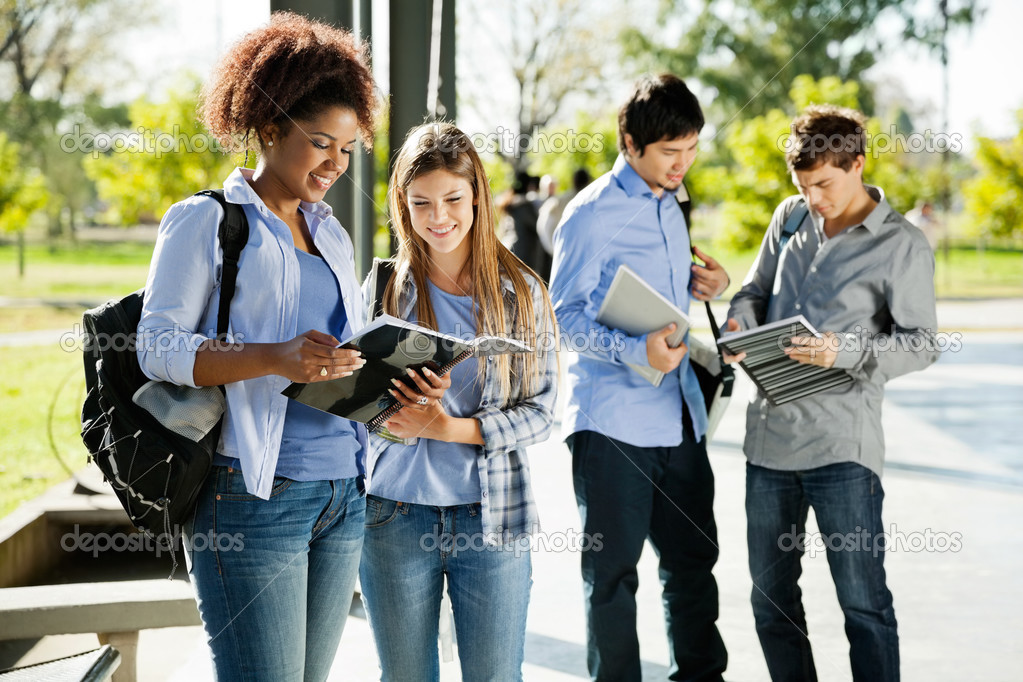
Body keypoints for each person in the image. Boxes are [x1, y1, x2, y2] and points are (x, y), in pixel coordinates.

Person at [136, 13, 377, 680]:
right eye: (321, 142)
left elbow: (334, 359)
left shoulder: (330, 234)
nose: (336, 163)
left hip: (341, 493)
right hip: (251, 495)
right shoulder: (207, 221)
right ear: (270, 129)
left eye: (348, 149)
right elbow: (155, 346)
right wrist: (274, 355)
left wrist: (389, 377)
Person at [723, 104, 940, 681]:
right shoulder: (789, 218)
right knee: (771, 604)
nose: (813, 198)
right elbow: (753, 290)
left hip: (843, 448)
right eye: (803, 185)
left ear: (858, 164)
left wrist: (843, 350)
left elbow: (922, 344)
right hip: (768, 444)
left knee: (863, 606)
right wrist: (741, 321)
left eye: (824, 184)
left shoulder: (902, 244)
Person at [359, 122, 558, 681]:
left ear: (478, 197)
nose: (437, 217)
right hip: (391, 514)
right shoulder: (384, 288)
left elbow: (543, 412)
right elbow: (354, 410)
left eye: (452, 198)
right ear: (402, 205)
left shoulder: (521, 294)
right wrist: (395, 404)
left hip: (490, 517)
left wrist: (448, 427)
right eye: (420, 203)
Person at [549, 74, 730, 682]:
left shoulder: (673, 204)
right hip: (611, 426)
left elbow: (660, 298)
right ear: (630, 143)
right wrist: (634, 351)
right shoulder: (591, 213)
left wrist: (707, 285)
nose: (683, 164)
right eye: (670, 153)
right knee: (612, 579)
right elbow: (561, 316)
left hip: (678, 420)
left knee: (692, 565)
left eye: (692, 149)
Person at [537, 168, 591, 260]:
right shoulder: (560, 202)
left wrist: (554, 250)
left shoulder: (559, 201)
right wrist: (554, 250)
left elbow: (544, 226)